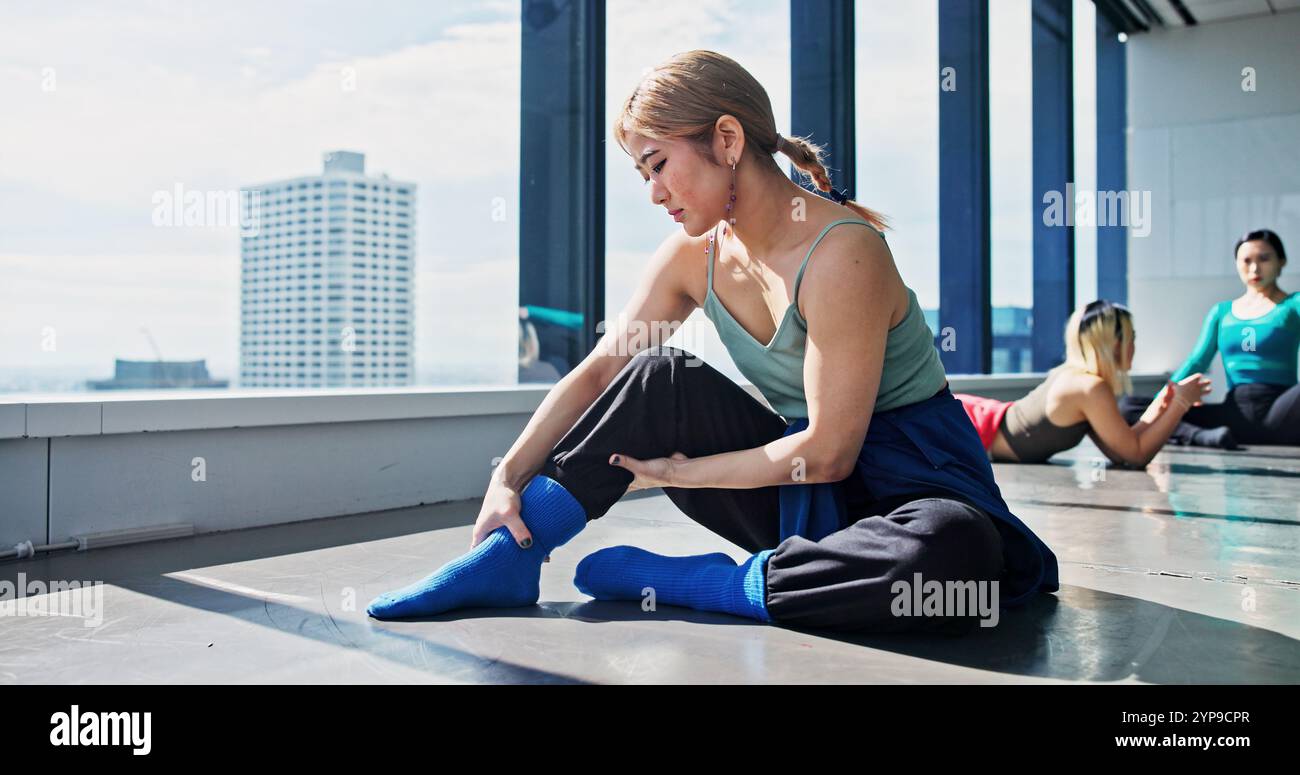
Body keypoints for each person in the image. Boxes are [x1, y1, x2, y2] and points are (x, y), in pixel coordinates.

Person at [366, 50, 1058, 633]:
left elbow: (827, 451)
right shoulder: (690, 257)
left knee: (952, 553)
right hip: (803, 504)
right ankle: (512, 558)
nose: (653, 191)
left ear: (727, 140)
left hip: (911, 489)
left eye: (658, 163)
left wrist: (680, 474)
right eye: (642, 173)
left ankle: (714, 584)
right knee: (658, 375)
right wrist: (507, 476)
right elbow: (602, 372)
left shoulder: (843, 252)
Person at [955, 301, 1212, 465]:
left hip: (973, 420)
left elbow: (1121, 450)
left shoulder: (1080, 380)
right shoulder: (1088, 388)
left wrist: (1162, 405)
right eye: (1131, 337)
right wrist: (1180, 402)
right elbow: (1135, 455)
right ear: (1114, 343)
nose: (1135, 346)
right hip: (964, 424)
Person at [1118, 229, 1300, 448]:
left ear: (1281, 262)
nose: (1254, 268)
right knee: (1129, 407)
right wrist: (1162, 401)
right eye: (1246, 260)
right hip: (1234, 418)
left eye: (1264, 259)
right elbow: (1196, 362)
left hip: (1284, 413)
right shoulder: (1222, 313)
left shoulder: (1293, 305)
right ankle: (1201, 436)